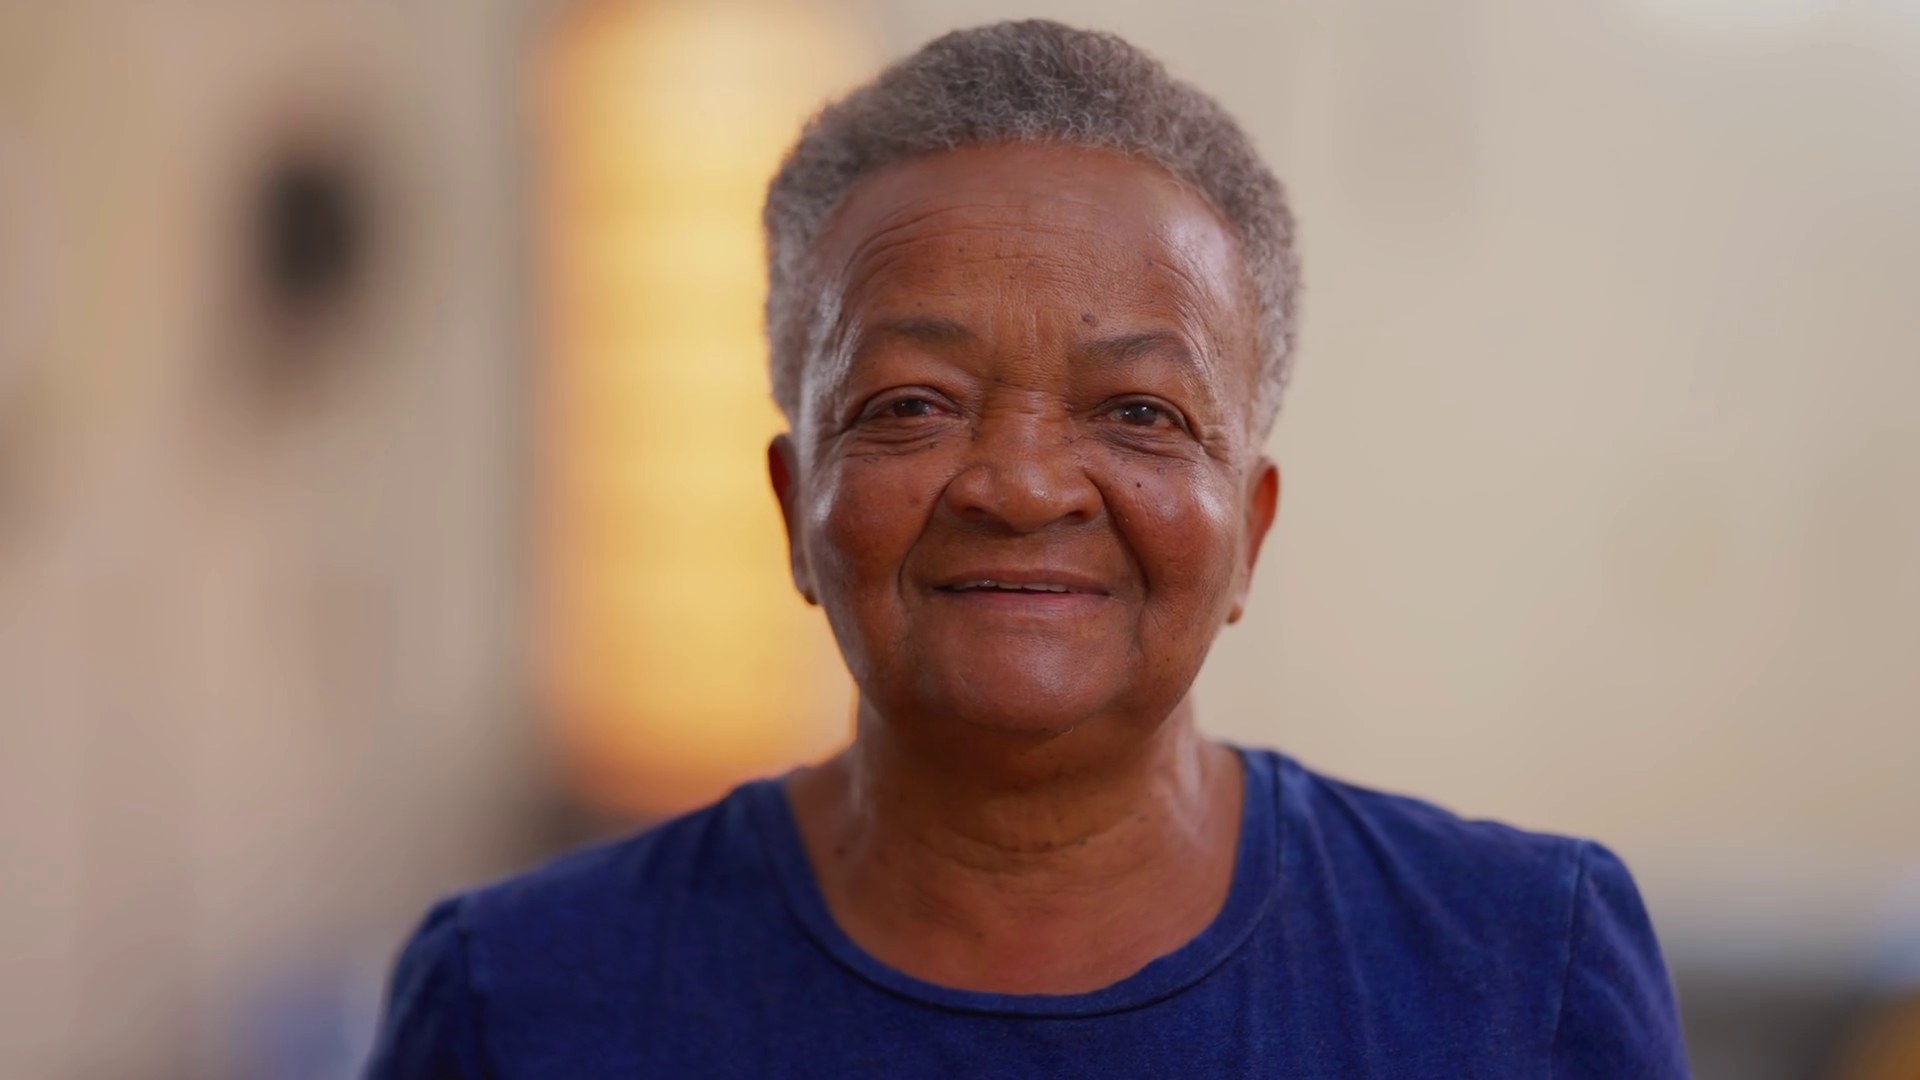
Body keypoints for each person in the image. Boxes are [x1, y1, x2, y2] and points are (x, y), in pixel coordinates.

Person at [365, 20, 1689, 1078]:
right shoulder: (521, 999)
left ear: (1252, 532)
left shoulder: (1521, 968)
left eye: (1139, 413)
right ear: (794, 510)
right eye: (912, 406)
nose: (1022, 481)